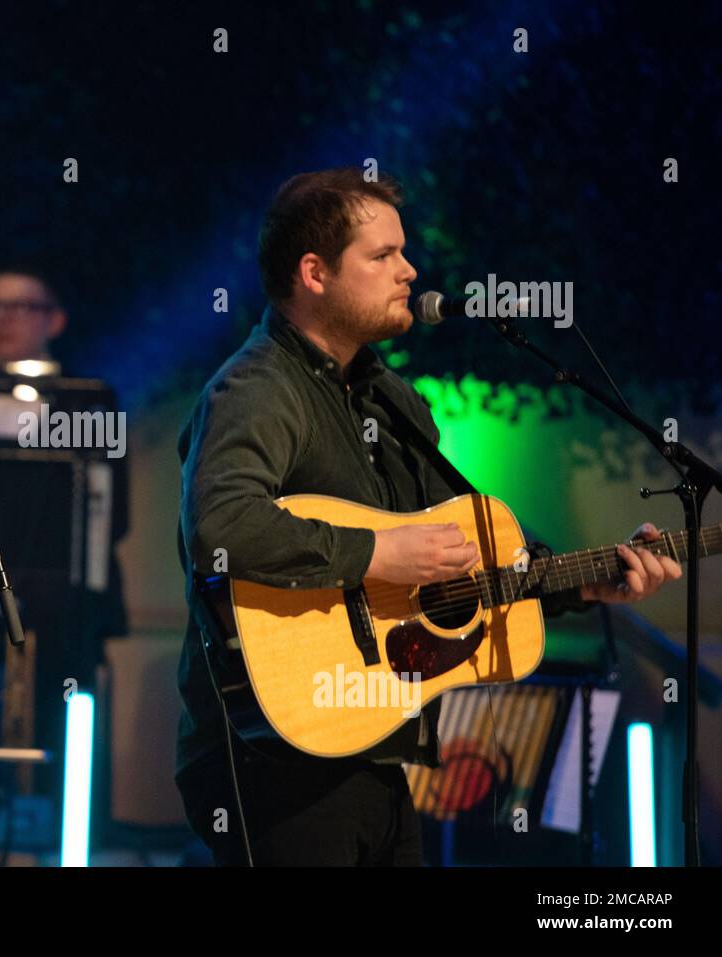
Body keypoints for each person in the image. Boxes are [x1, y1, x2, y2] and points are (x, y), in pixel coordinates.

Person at [174, 167, 683, 866]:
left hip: (374, 745)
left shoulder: (395, 403)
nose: (409, 270)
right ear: (314, 272)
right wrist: (377, 557)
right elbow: (221, 527)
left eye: (403, 253)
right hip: (275, 760)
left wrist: (581, 583)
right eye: (382, 256)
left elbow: (458, 567)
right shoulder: (256, 387)